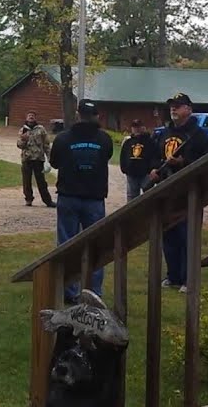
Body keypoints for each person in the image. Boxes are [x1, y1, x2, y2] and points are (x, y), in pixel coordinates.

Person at [149, 93, 208, 293]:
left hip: (189, 193)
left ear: (189, 109)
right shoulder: (164, 133)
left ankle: (189, 279)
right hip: (167, 190)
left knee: (188, 237)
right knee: (169, 236)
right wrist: (153, 170)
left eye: (178, 106)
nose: (173, 110)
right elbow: (155, 156)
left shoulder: (199, 135)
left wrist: (183, 163)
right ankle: (173, 276)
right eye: (172, 106)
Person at [50, 99, 115, 303]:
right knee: (96, 245)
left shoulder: (63, 138)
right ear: (96, 116)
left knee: (67, 244)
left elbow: (54, 162)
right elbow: (107, 156)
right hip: (94, 198)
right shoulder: (104, 139)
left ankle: (70, 290)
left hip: (68, 196)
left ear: (78, 115)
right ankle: (94, 292)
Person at [18, 111, 55, 207]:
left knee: (41, 181)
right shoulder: (23, 130)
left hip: (38, 159)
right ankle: (28, 199)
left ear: (35, 118)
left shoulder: (41, 129)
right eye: (29, 115)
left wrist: (49, 157)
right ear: (26, 118)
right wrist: (23, 140)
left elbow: (46, 144)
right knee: (26, 181)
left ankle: (47, 201)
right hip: (27, 159)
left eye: (33, 116)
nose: (31, 117)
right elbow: (19, 145)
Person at [120, 119, 159, 200]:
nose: (136, 129)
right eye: (134, 127)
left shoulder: (150, 141)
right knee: (131, 196)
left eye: (138, 127)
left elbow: (155, 156)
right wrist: (124, 168)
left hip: (146, 174)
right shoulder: (128, 142)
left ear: (143, 128)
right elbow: (123, 156)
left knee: (148, 195)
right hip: (131, 174)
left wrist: (153, 168)